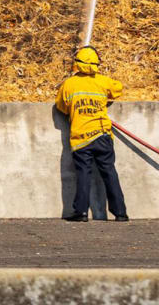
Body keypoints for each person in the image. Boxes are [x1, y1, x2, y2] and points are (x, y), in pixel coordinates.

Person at [55, 45, 128, 222]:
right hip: (102, 134)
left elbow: (61, 107)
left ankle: (80, 212)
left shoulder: (69, 84)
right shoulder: (103, 81)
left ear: (77, 63)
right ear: (96, 63)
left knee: (83, 174)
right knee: (109, 172)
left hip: (81, 138)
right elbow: (118, 89)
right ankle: (120, 213)